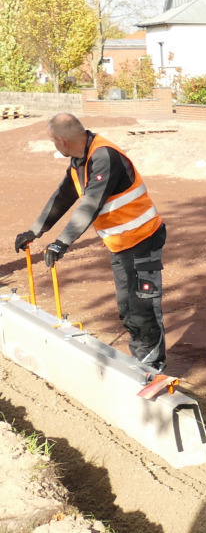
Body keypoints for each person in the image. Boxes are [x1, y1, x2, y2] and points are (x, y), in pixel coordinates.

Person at [13, 113, 168, 370]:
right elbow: (64, 194)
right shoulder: (79, 158)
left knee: (143, 309)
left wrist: (61, 242)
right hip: (120, 243)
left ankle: (153, 370)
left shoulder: (104, 156)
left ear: (62, 141)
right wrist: (36, 230)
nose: (54, 146)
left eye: (52, 142)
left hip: (143, 240)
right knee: (128, 309)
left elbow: (91, 203)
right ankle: (141, 364)